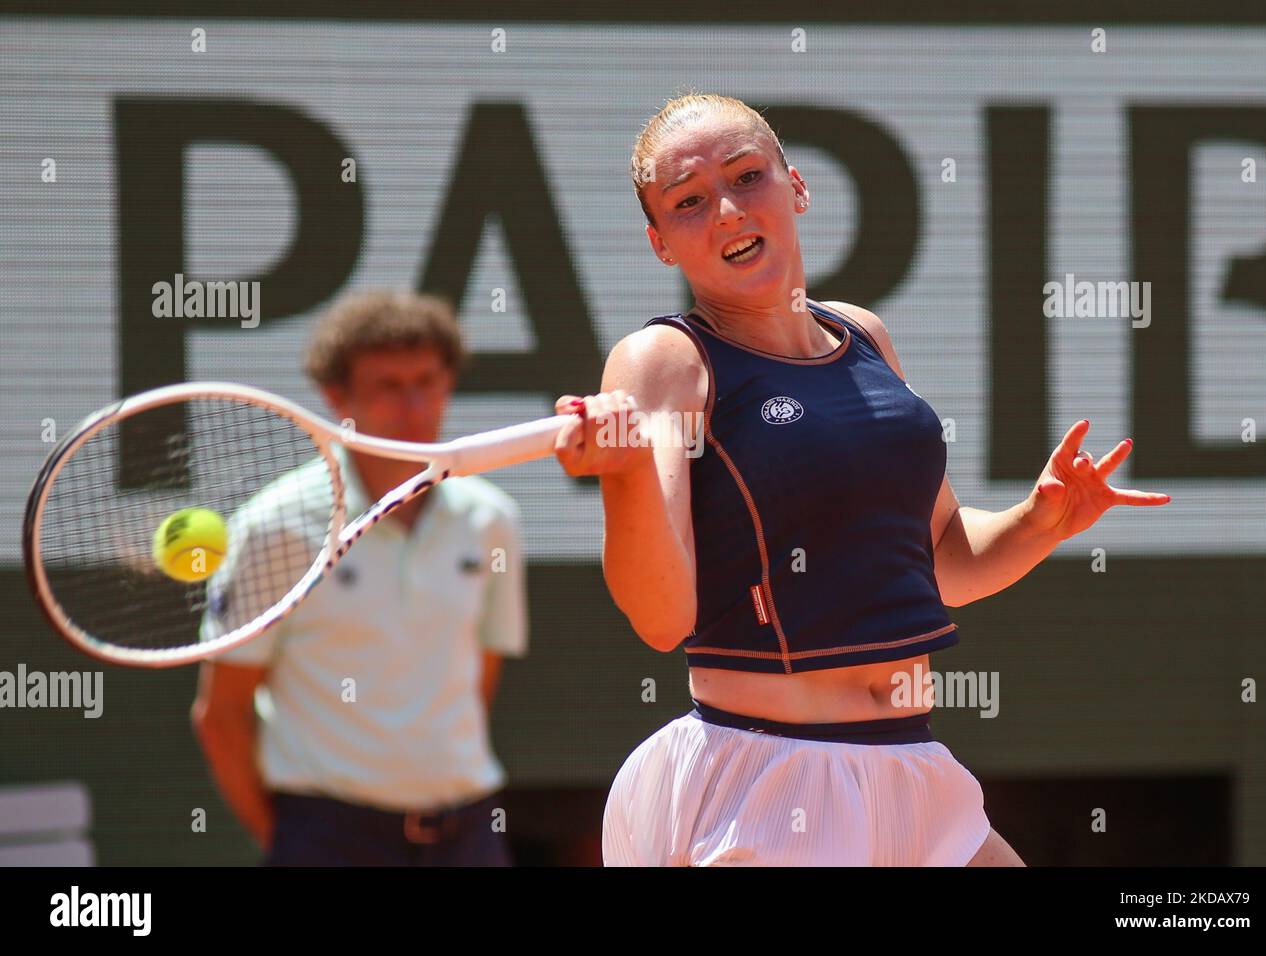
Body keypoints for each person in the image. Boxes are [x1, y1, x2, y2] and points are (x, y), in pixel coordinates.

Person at [553, 92, 1171, 866]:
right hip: (770, 785)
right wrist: (625, 476)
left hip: (915, 771)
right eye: (688, 202)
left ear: (797, 187)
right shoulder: (664, 363)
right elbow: (661, 618)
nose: (726, 211)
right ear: (660, 243)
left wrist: (1041, 521)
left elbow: (945, 558)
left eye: (747, 178)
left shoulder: (864, 334)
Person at [191, 290, 527, 866]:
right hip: (327, 837)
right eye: (388, 387)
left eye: (427, 380)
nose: (414, 404)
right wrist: (288, 843)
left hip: (467, 835)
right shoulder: (276, 528)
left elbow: (476, 682)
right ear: (335, 397)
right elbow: (220, 716)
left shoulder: (491, 519)